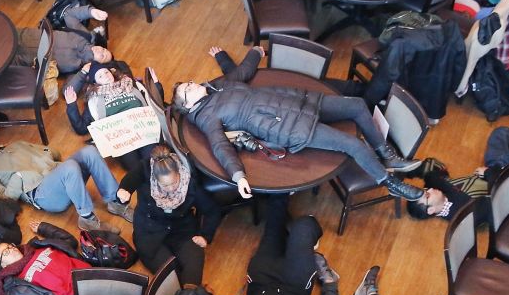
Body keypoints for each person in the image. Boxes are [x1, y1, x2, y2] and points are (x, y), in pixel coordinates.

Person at [175, 47, 422, 201]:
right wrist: (238, 176)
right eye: (188, 88)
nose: (192, 83)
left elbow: (242, 73)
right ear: (187, 105)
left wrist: (254, 53)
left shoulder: (218, 87)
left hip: (297, 101)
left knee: (357, 105)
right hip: (287, 127)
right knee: (352, 144)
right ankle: (391, 184)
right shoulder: (207, 119)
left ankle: (386, 153)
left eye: (189, 82)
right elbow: (220, 147)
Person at [117, 144, 220, 286]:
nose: (171, 189)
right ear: (156, 179)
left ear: (179, 172)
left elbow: (212, 210)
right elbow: (129, 181)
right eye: (165, 186)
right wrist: (124, 192)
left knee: (194, 269)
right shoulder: (145, 169)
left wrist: (205, 235)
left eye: (174, 182)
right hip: (149, 232)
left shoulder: (189, 182)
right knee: (171, 275)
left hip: (182, 231)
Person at [0, 138, 132, 231]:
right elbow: (5, 200)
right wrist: (18, 177)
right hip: (43, 193)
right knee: (70, 167)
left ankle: (116, 202)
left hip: (58, 172)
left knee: (90, 151)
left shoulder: (14, 145)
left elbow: (54, 153)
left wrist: (45, 154)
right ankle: (87, 219)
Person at [16, 4, 111, 76]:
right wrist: (90, 12)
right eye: (103, 49)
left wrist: (83, 73)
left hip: (20, 60)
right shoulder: (84, 36)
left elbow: (67, 89)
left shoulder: (79, 69)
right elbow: (69, 15)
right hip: (23, 35)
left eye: (102, 56)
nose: (100, 50)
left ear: (98, 64)